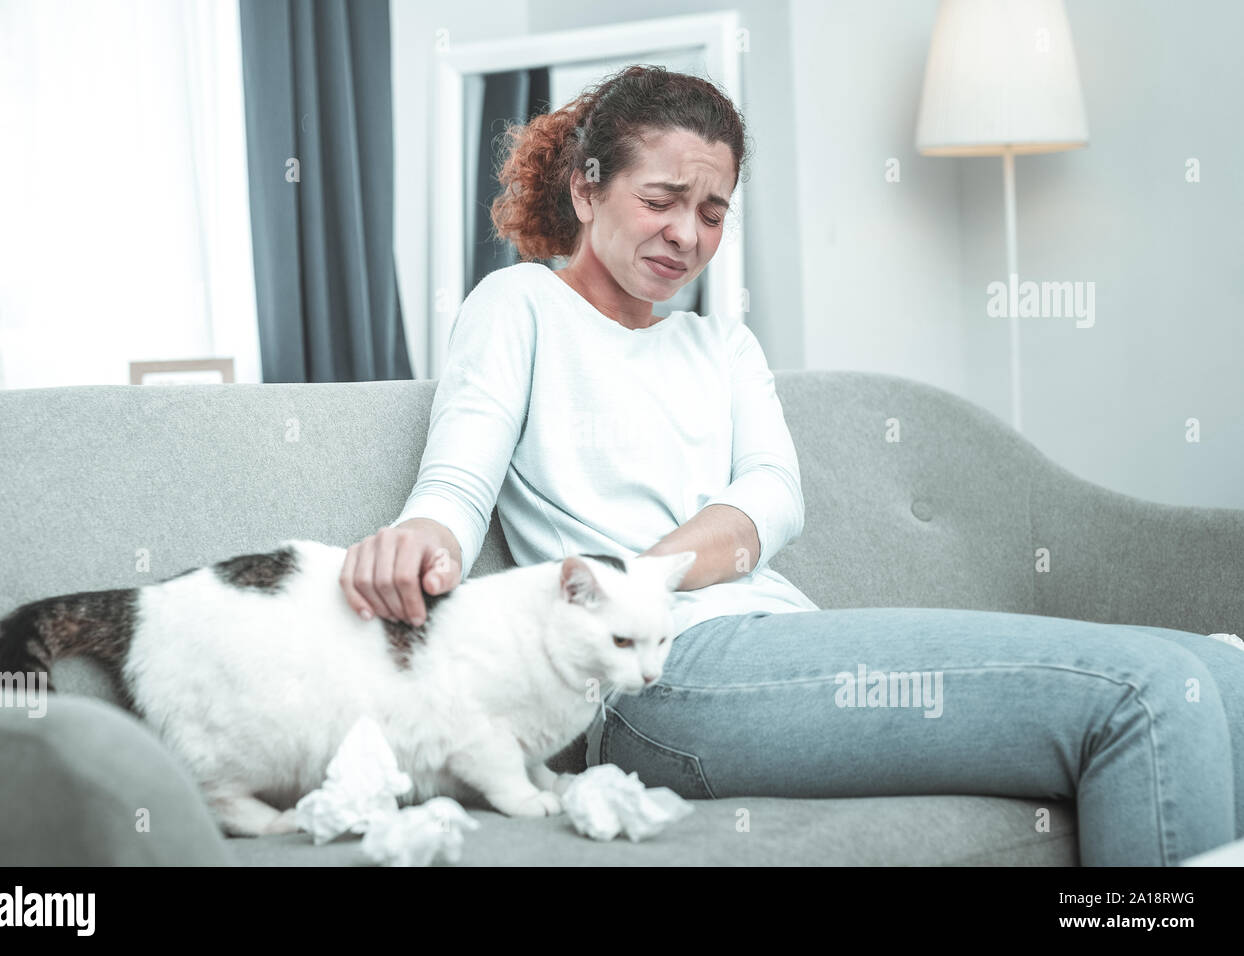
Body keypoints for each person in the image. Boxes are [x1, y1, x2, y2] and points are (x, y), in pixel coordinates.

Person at [339, 65, 1241, 865]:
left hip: (765, 634)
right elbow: (458, 478)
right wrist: (427, 536)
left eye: (712, 211)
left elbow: (773, 499)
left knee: (1221, 672)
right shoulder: (519, 305)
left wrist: (654, 572)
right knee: (1154, 691)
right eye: (660, 200)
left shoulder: (720, 344)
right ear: (586, 189)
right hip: (662, 677)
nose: (687, 235)